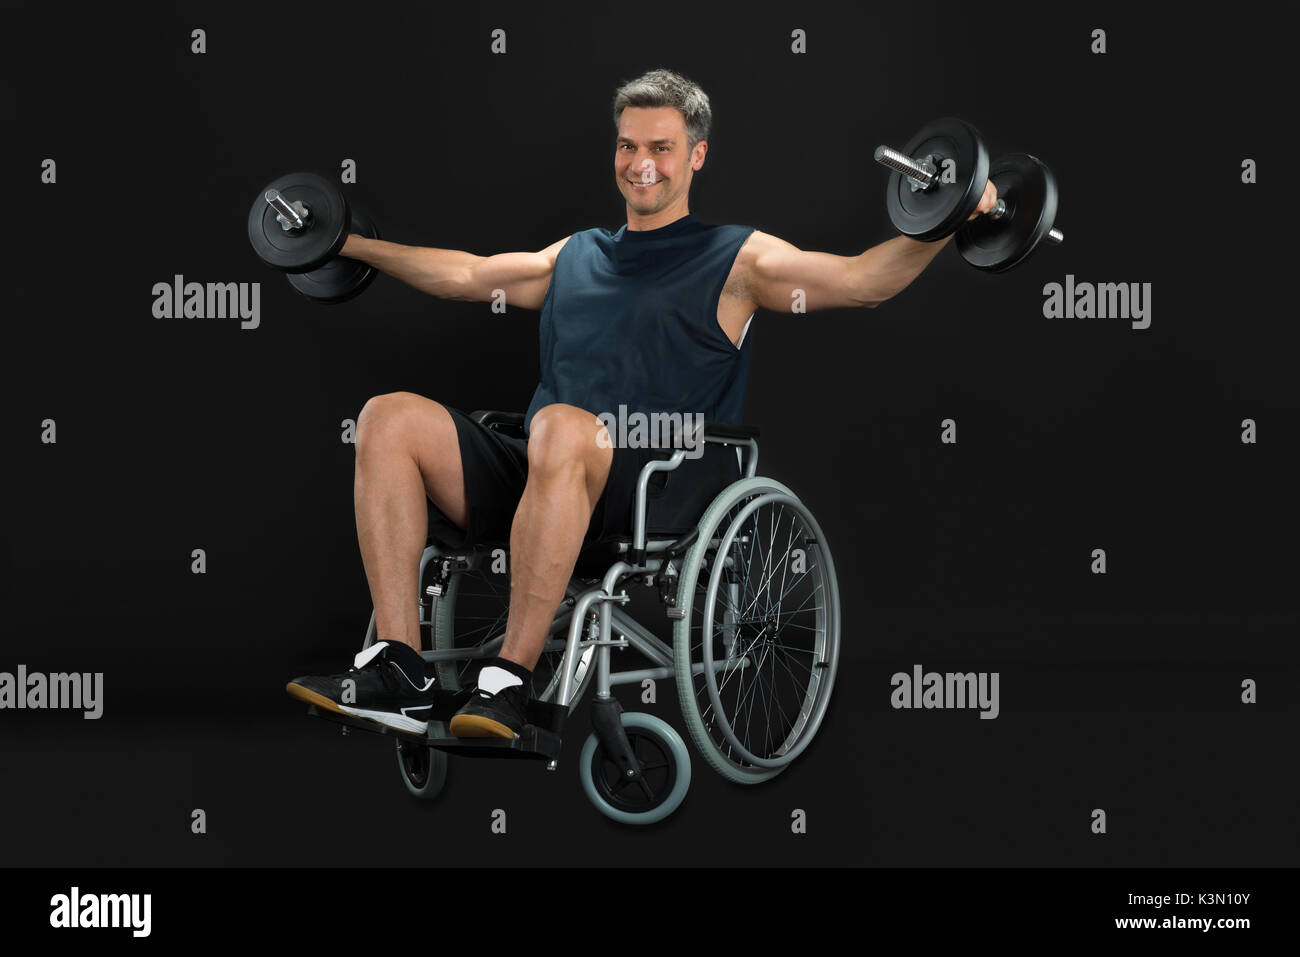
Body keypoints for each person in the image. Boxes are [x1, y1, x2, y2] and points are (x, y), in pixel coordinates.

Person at [285, 68, 998, 739]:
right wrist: (345, 243)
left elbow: (860, 280)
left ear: (697, 156)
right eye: (628, 146)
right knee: (388, 417)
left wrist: (951, 215)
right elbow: (469, 274)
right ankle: (396, 670)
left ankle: (507, 681)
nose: (641, 163)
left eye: (661, 147)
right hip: (542, 473)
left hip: (654, 487)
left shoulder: (739, 260)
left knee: (564, 427)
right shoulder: (577, 253)